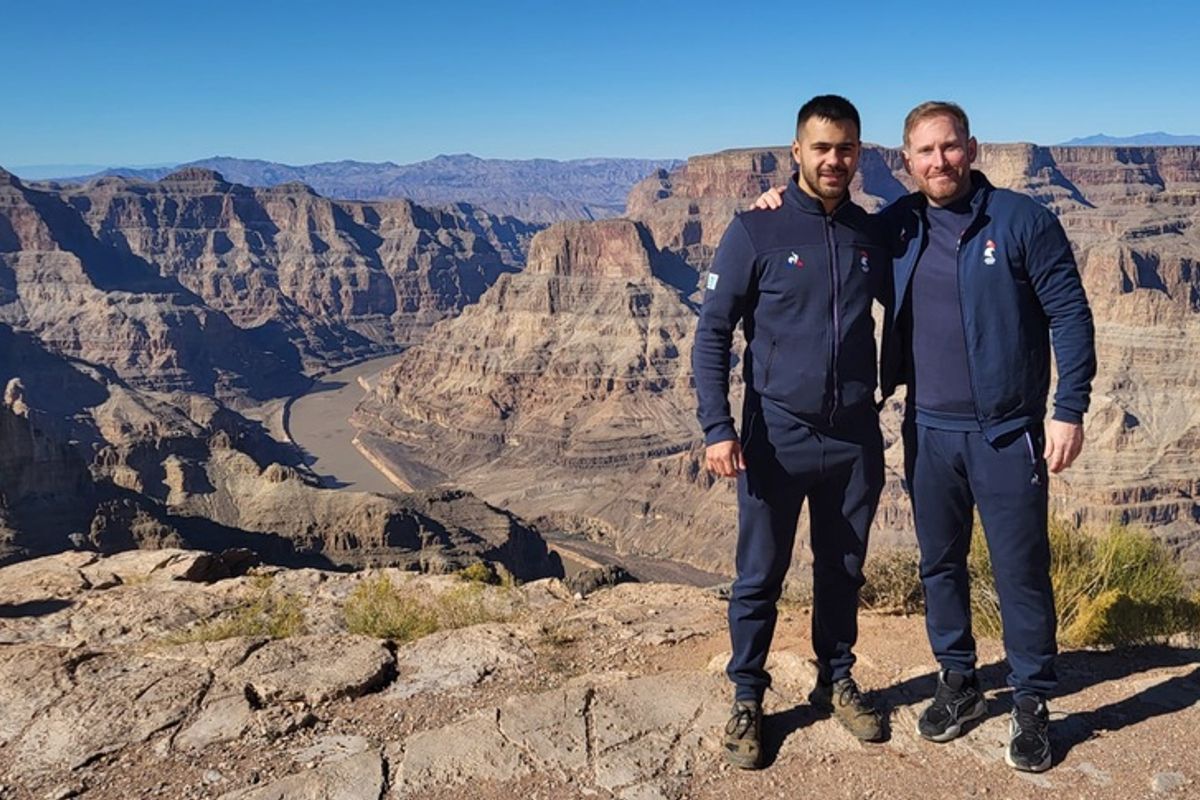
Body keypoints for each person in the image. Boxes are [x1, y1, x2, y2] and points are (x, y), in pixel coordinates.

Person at [755, 100, 1096, 772]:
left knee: (1019, 569)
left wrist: (1070, 408)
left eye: (949, 148)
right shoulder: (897, 225)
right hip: (927, 427)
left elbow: (1071, 317)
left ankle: (1031, 700)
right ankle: (960, 680)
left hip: (1007, 431)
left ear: (970, 148)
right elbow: (830, 233)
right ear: (905, 162)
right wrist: (778, 201)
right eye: (924, 153)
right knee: (938, 563)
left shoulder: (1024, 221)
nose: (938, 162)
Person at [693, 94, 888, 770]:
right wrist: (718, 427)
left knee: (843, 568)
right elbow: (713, 333)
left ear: (860, 154)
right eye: (822, 147)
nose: (834, 159)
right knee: (759, 576)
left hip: (856, 437)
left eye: (846, 148)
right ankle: (748, 696)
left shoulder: (872, 234)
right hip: (775, 435)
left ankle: (837, 679)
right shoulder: (755, 231)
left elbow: (929, 285)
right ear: (797, 152)